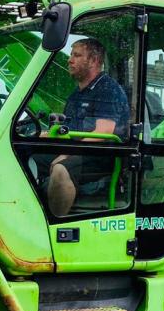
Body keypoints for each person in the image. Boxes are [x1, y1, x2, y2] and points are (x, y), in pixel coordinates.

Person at [44, 38, 129, 216]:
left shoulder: (108, 89)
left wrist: (67, 153)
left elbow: (103, 132)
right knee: (23, 156)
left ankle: (54, 222)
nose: (69, 60)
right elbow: (66, 130)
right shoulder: (76, 94)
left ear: (94, 61)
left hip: (101, 155)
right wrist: (42, 135)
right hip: (78, 150)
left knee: (60, 169)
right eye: (71, 55)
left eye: (76, 55)